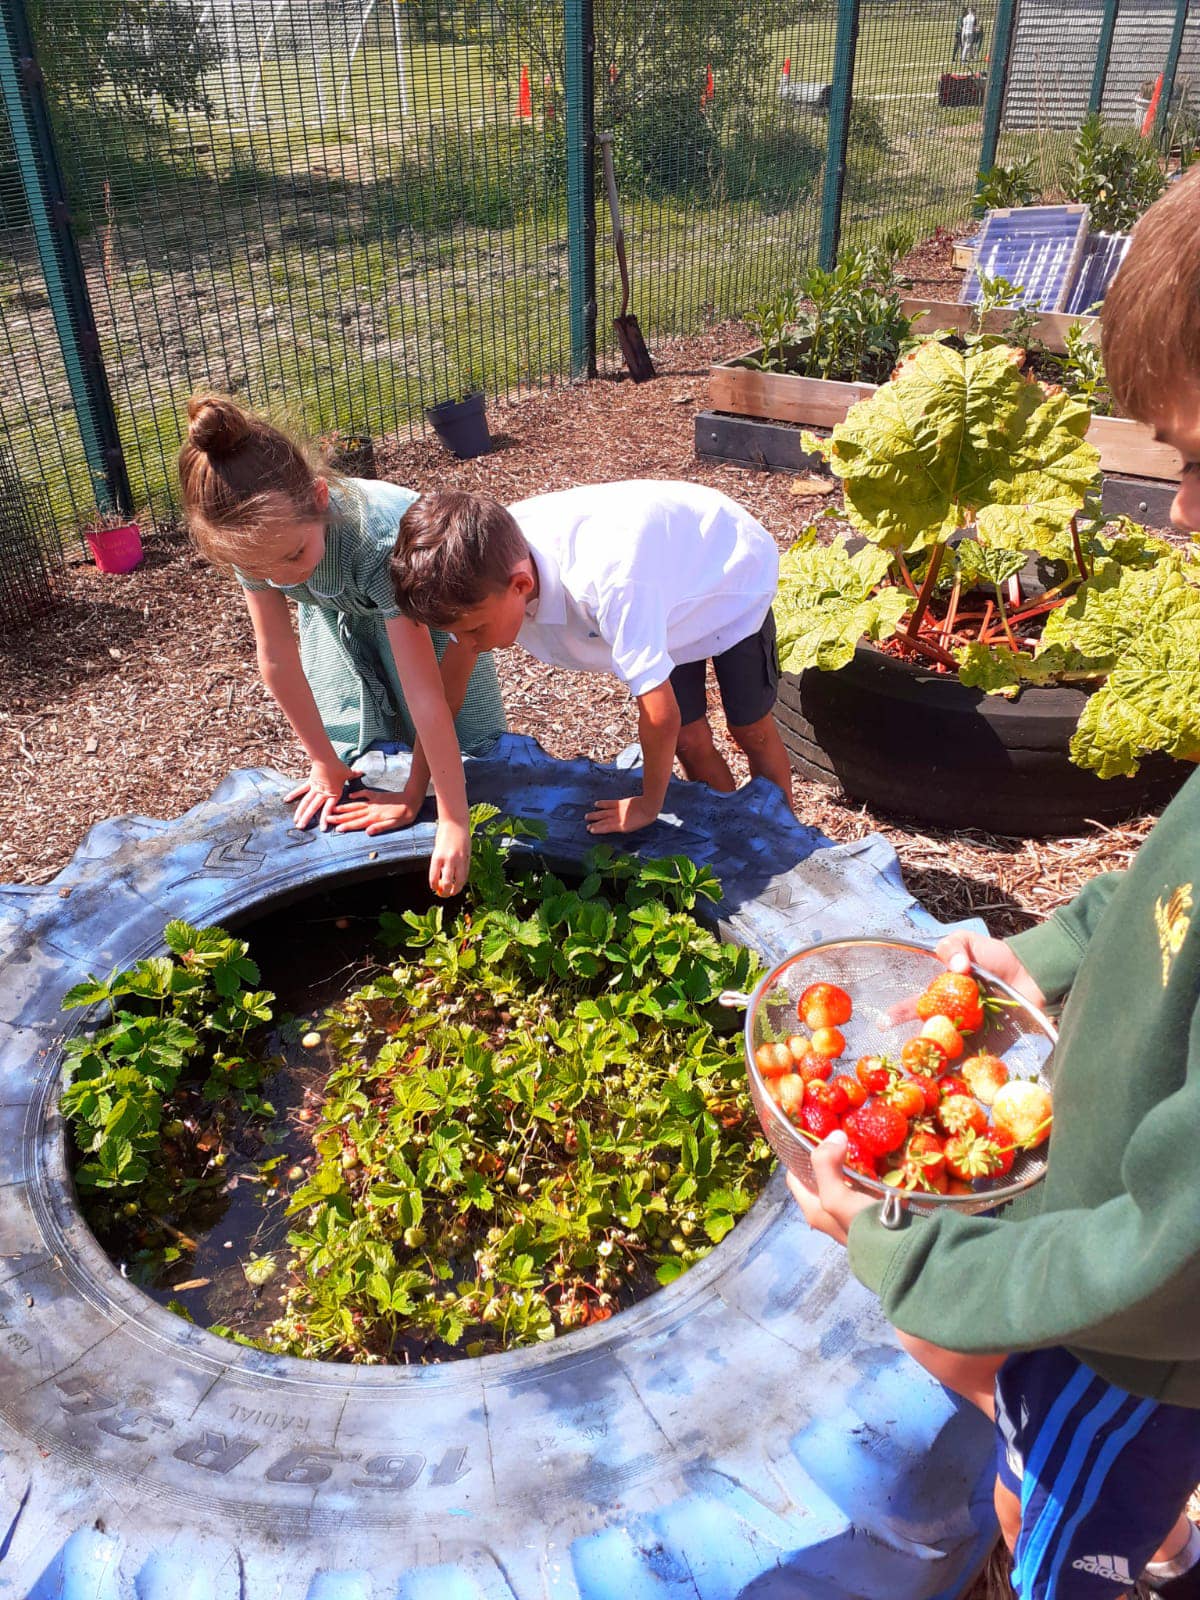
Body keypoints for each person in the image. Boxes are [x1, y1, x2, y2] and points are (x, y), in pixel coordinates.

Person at [789, 167, 1200, 1600]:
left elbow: (1164, 1245)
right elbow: (1161, 888)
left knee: (1077, 1542)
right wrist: (1045, 956)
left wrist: (909, 1258)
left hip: (1134, 1351)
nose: (1186, 512)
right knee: (1053, 1480)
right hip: (1093, 1285)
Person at [177, 393, 506, 895]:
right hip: (337, 613)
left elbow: (427, 694)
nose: (284, 576)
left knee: (462, 751)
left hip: (417, 604)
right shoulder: (259, 545)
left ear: (319, 497)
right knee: (364, 739)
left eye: (294, 554)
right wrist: (323, 760)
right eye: (266, 570)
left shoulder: (376, 541)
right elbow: (278, 661)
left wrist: (449, 817)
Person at [384, 479, 794, 834]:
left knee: (750, 730)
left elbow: (658, 714)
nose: (469, 645)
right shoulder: (478, 565)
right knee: (688, 739)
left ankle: (780, 832)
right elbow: (446, 695)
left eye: (473, 631)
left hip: (726, 575)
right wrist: (413, 792)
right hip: (662, 595)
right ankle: (731, 829)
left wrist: (648, 805)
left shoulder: (609, 582)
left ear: (521, 584)